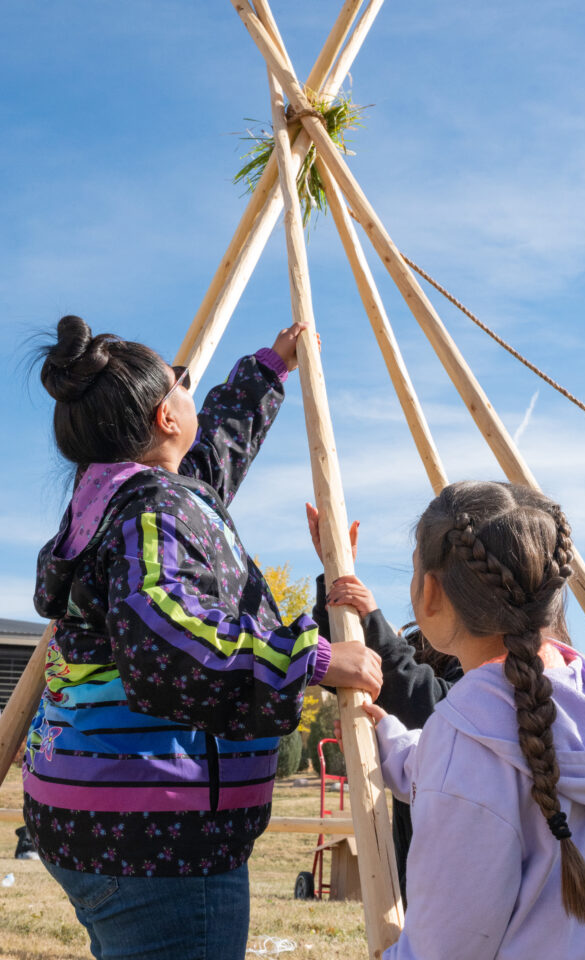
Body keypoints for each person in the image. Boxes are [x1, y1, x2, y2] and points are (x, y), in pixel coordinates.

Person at [23, 315, 382, 960]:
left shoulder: (110, 500)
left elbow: (211, 457)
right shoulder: (154, 514)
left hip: (96, 815)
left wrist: (270, 369)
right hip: (158, 838)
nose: (193, 392)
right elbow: (168, 644)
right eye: (183, 385)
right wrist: (314, 659)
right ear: (165, 418)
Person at [360, 481, 585, 959]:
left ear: (430, 592)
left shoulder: (468, 735)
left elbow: (447, 945)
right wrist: (392, 739)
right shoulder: (582, 703)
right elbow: (469, 775)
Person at [306, 502, 462, 907]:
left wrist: (372, 620)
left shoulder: (497, 667)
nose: (415, 587)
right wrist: (335, 575)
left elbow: (432, 705)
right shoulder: (425, 647)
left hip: (461, 871)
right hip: (419, 863)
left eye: (417, 571)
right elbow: (359, 672)